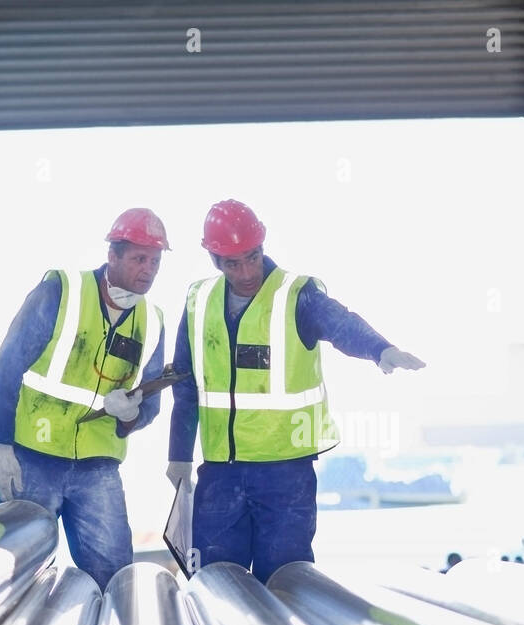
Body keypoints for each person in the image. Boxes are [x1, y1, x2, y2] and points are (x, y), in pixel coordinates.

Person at [166, 199, 424, 583]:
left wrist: (380, 349)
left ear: (263, 246)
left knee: (287, 582)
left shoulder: (296, 295)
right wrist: (179, 456)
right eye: (233, 263)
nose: (247, 270)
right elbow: (186, 384)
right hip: (221, 473)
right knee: (214, 584)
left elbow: (340, 323)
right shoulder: (198, 301)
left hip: (286, 475)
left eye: (252, 257)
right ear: (215, 261)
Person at [0, 208, 169, 589]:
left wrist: (129, 415)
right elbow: (8, 365)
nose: (148, 270)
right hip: (31, 457)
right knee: (19, 574)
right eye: (138, 258)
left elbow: (150, 404)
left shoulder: (152, 322)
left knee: (114, 578)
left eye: (154, 261)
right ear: (112, 256)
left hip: (97, 468)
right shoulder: (60, 291)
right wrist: (1, 446)